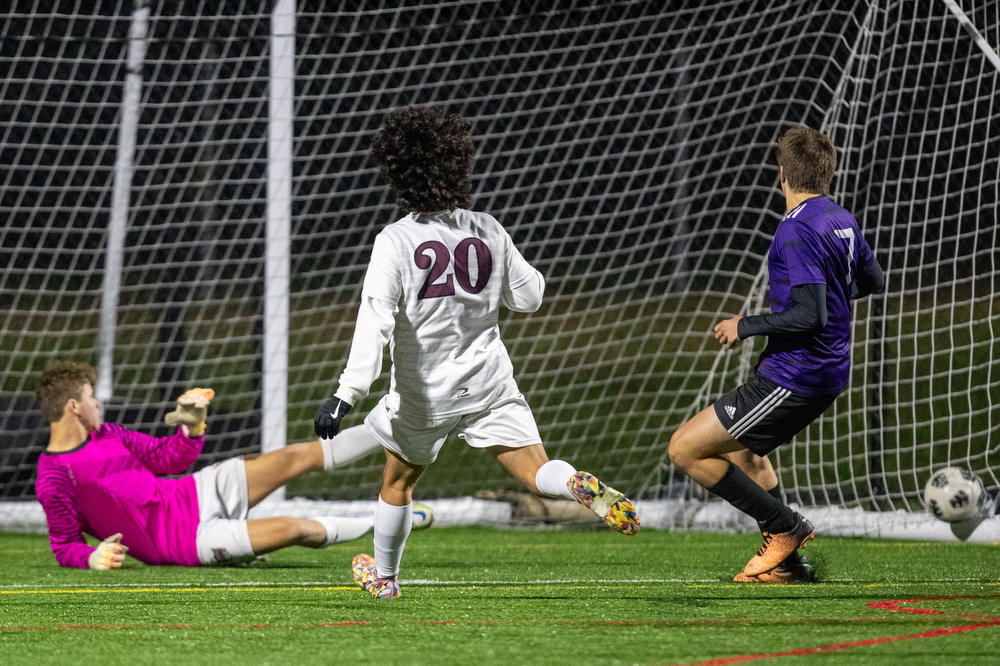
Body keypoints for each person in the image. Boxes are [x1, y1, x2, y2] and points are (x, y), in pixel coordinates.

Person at [314, 106, 639, 600]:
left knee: (397, 482)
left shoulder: (396, 240)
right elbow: (530, 298)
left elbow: (374, 322)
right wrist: (501, 259)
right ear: (457, 165)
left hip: (426, 395)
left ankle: (384, 579)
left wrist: (345, 394)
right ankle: (574, 482)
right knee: (536, 472)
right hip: (489, 383)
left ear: (399, 172)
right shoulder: (487, 228)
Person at [668, 126, 884, 583]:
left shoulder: (796, 229)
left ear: (781, 173)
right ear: (828, 172)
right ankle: (786, 564)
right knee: (746, 452)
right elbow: (873, 281)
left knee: (685, 449)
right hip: (824, 369)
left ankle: (784, 528)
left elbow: (809, 314)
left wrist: (743, 325)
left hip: (794, 374)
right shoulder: (840, 219)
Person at [34, 360, 416, 569]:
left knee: (293, 456)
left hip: (192, 492)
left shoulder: (109, 434)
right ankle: (391, 519)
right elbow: (64, 544)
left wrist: (192, 424)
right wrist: (92, 557)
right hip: (183, 543)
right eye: (90, 397)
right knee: (295, 528)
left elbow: (172, 459)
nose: (98, 403)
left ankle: (402, 419)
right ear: (73, 407)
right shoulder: (53, 475)